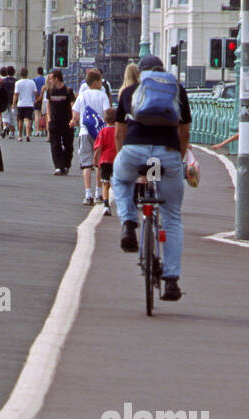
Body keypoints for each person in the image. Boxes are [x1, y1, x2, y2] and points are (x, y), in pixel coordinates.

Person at [113, 54, 190, 302]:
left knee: (121, 179)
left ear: (141, 72)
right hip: (164, 156)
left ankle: (129, 223)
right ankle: (171, 281)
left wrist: (124, 157)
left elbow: (118, 134)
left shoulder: (130, 92)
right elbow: (184, 133)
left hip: (136, 153)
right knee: (171, 216)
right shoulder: (177, 91)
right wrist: (177, 159)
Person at [71, 67, 109, 205]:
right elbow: (106, 114)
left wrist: (75, 121)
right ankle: (99, 192)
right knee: (99, 163)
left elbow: (75, 114)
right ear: (96, 82)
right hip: (100, 133)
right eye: (100, 81)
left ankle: (88, 194)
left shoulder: (82, 95)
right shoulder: (102, 95)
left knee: (86, 164)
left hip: (85, 131)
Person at [44, 69, 75, 175]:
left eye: (51, 79)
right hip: (54, 121)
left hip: (67, 122)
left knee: (68, 145)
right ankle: (58, 166)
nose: (50, 81)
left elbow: (72, 106)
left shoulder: (68, 91)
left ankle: (66, 164)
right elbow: (48, 105)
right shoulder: (50, 91)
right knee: (55, 144)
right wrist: (49, 119)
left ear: (57, 79)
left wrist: (73, 119)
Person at [94, 107, 118, 215]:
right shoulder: (119, 131)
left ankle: (106, 205)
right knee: (117, 182)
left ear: (104, 119)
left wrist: (95, 160)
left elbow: (98, 148)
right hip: (117, 160)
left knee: (105, 183)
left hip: (105, 160)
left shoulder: (103, 131)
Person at [13, 67, 37, 142]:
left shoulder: (18, 83)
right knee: (28, 120)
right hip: (29, 103)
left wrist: (13, 103)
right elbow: (36, 92)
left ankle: (20, 136)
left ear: (20, 74)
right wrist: (36, 99)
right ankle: (27, 134)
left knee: (20, 120)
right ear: (27, 74)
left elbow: (16, 94)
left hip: (21, 104)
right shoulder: (32, 82)